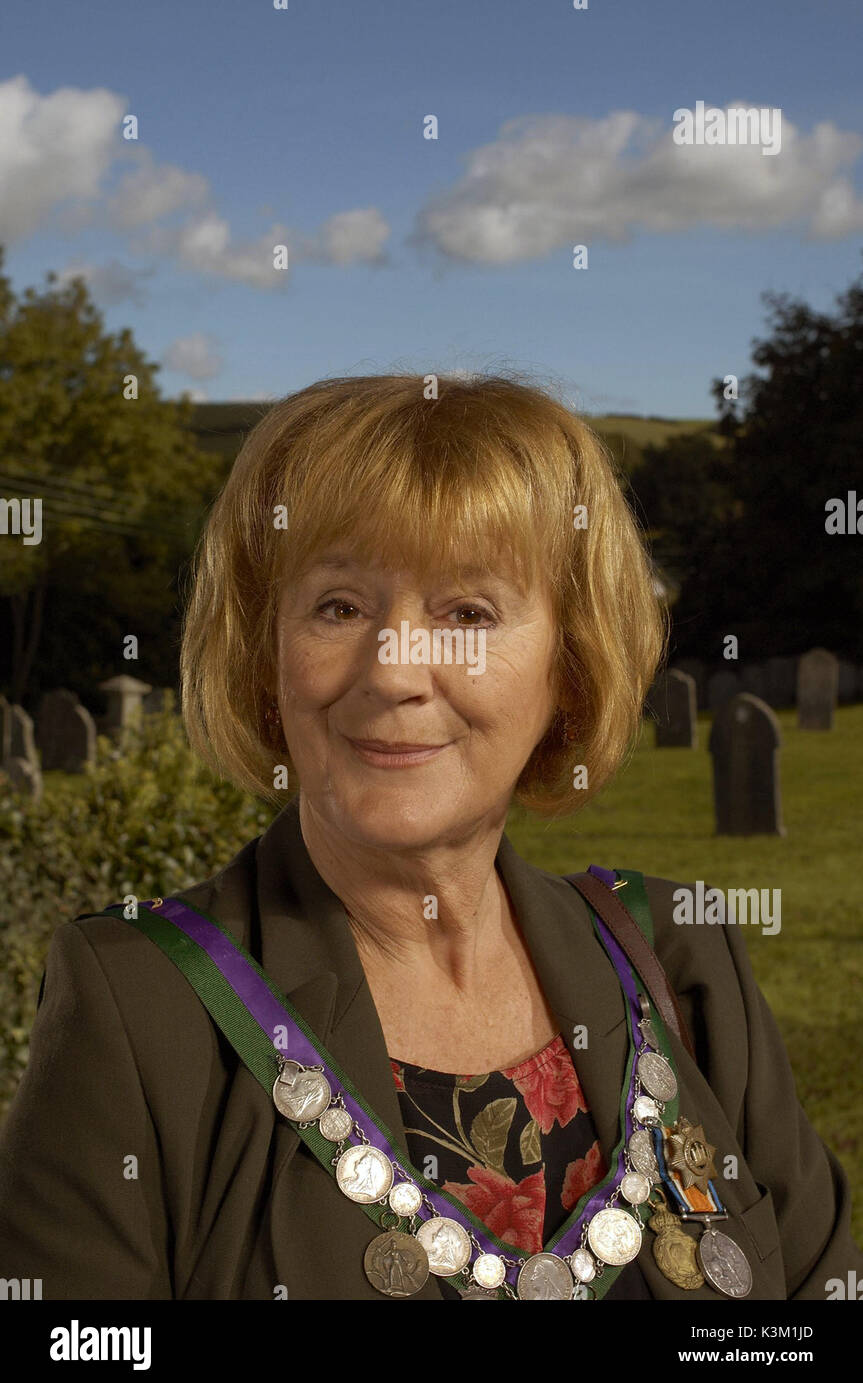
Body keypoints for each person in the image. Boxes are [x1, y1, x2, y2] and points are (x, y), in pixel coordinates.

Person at [0, 373, 859, 1300]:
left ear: (568, 666)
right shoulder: (137, 1006)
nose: (394, 672)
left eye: (467, 615)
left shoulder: (682, 959)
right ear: (265, 654)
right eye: (339, 607)